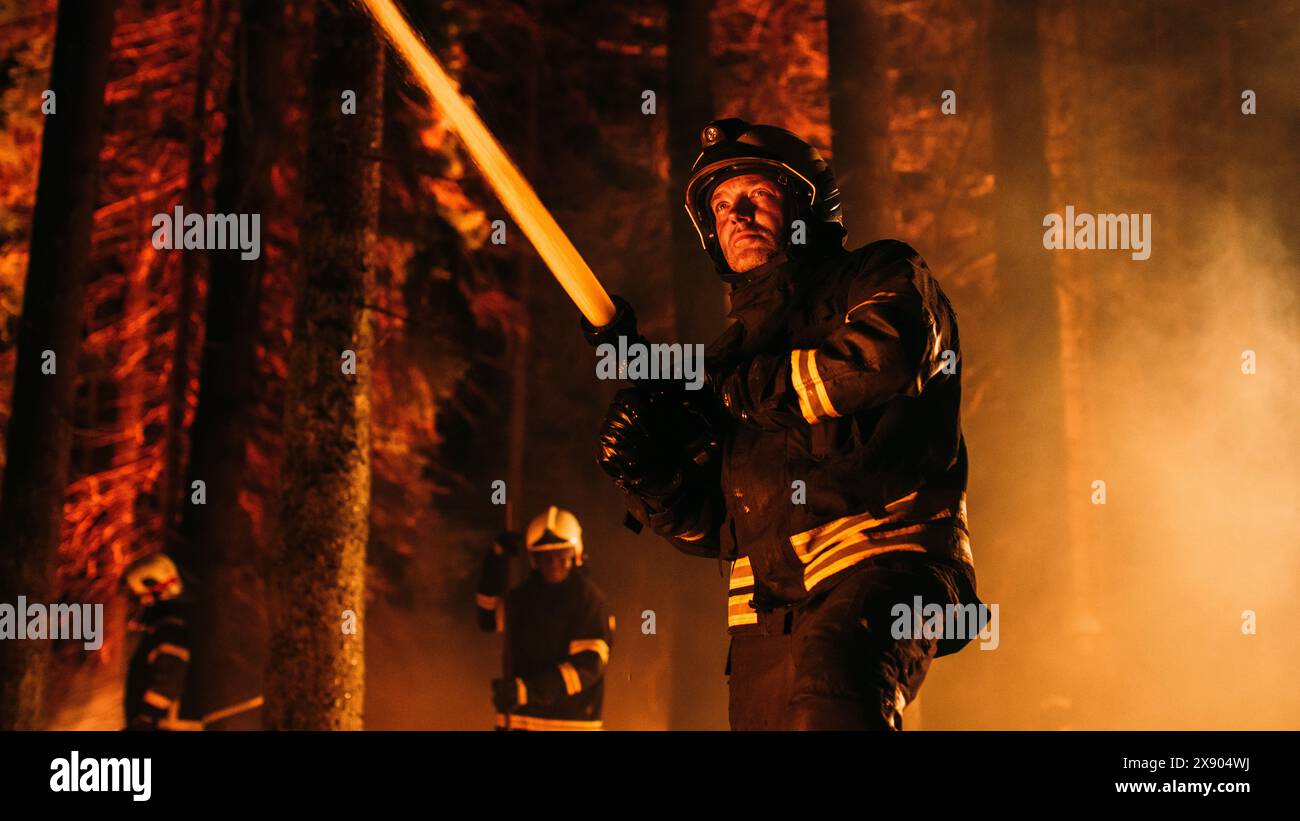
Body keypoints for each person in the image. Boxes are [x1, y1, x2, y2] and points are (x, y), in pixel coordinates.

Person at [587, 118, 980, 730]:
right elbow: (722, 529)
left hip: (887, 568)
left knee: (834, 703)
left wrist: (718, 385)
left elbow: (880, 359)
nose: (736, 215)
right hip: (767, 613)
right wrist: (656, 480)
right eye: (721, 206)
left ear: (805, 203)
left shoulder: (880, 276)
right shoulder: (731, 356)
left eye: (757, 196)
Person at [474, 506, 614, 730]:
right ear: (533, 559)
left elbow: (588, 667)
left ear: (576, 554)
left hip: (569, 725)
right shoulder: (522, 597)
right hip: (517, 723)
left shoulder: (588, 601)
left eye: (561, 556)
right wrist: (495, 563)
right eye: (544, 557)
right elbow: (488, 618)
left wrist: (527, 691)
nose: (553, 564)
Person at [121, 553, 191, 731]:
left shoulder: (169, 632)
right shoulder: (162, 630)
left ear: (156, 592)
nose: (138, 604)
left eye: (139, 597)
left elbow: (168, 680)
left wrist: (145, 719)